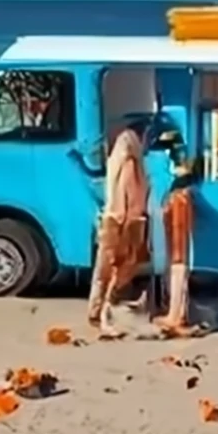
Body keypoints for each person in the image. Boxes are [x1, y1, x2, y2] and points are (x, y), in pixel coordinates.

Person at [87, 127, 150, 327]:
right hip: (126, 221)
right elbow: (129, 197)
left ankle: (95, 309)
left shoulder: (114, 163)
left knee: (103, 270)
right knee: (121, 269)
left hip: (111, 218)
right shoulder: (132, 165)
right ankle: (107, 309)